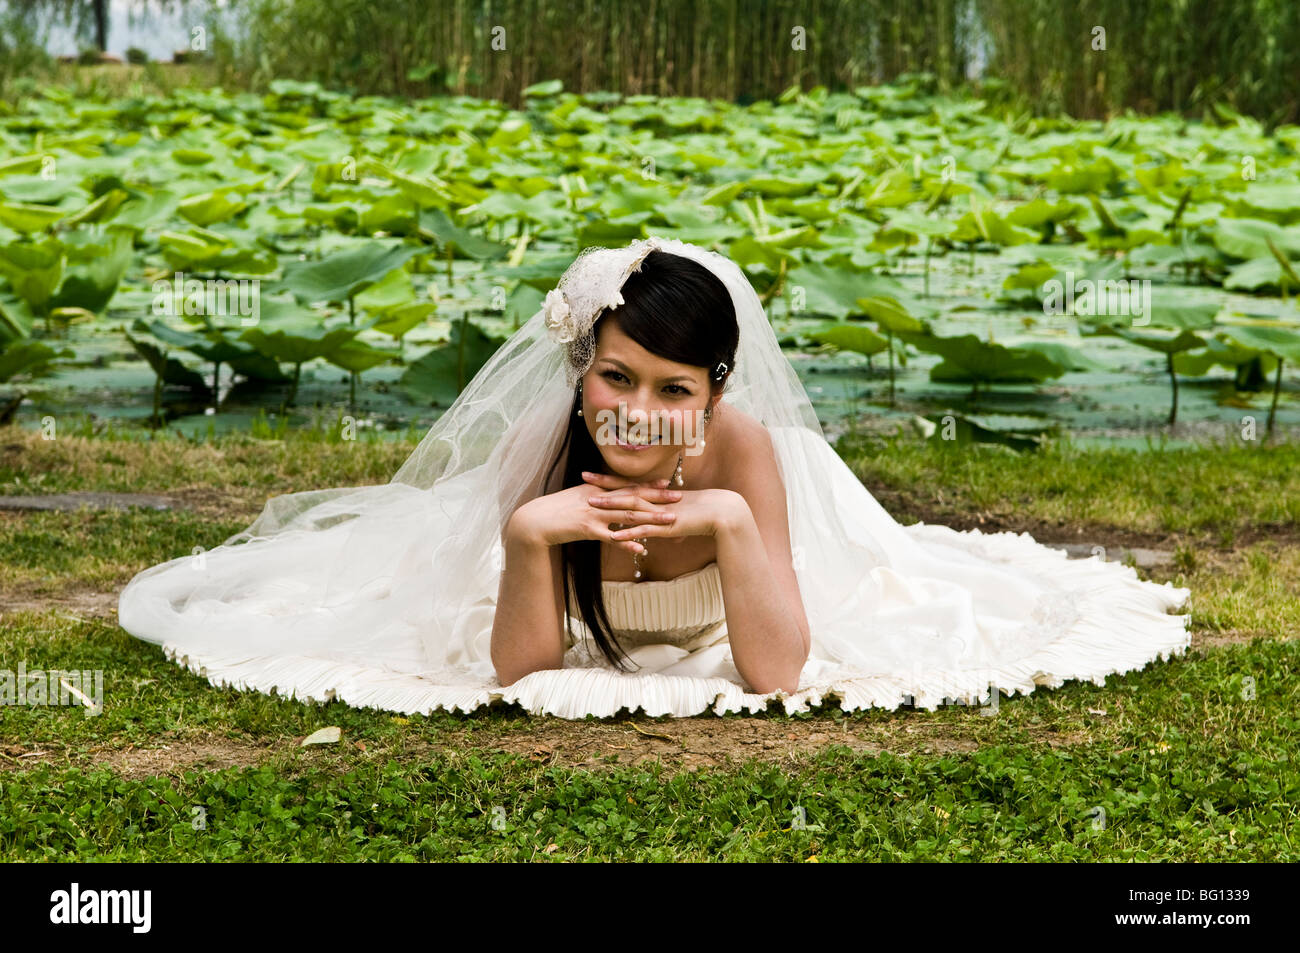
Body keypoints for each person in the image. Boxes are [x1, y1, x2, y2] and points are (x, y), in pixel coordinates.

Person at [117, 236, 1193, 719]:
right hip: (541, 527)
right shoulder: (537, 458)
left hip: (745, 524)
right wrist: (536, 536)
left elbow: (775, 673)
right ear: (581, 370)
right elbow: (519, 671)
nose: (636, 410)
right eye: (615, 375)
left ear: (714, 396)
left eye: (673, 388)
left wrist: (728, 518)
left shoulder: (746, 455)